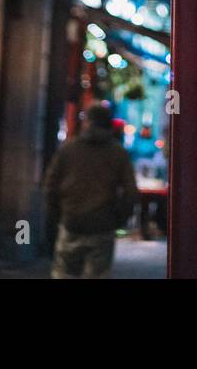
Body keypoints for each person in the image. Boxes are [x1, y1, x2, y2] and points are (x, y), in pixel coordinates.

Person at [42, 102, 139, 278]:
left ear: (87, 122)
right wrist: (119, 218)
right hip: (102, 224)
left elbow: (50, 185)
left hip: (72, 221)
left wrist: (58, 213)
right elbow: (130, 192)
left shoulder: (68, 149)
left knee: (65, 273)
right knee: (98, 274)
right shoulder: (118, 153)